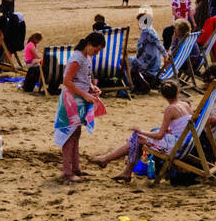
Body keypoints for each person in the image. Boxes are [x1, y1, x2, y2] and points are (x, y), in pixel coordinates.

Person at [92, 81, 191, 182]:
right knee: (138, 138)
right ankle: (117, 167)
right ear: (178, 92)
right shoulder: (186, 105)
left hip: (176, 147)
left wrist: (142, 131)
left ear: (162, 96)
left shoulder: (170, 109)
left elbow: (160, 135)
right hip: (187, 144)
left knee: (138, 137)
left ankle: (111, 163)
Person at [53, 32, 107, 183]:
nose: (96, 54)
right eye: (96, 50)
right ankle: (67, 171)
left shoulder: (86, 57)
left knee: (75, 133)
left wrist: (92, 88)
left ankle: (75, 168)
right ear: (89, 44)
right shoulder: (77, 58)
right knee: (69, 135)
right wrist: (84, 94)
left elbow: (83, 78)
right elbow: (67, 81)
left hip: (78, 99)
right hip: (71, 100)